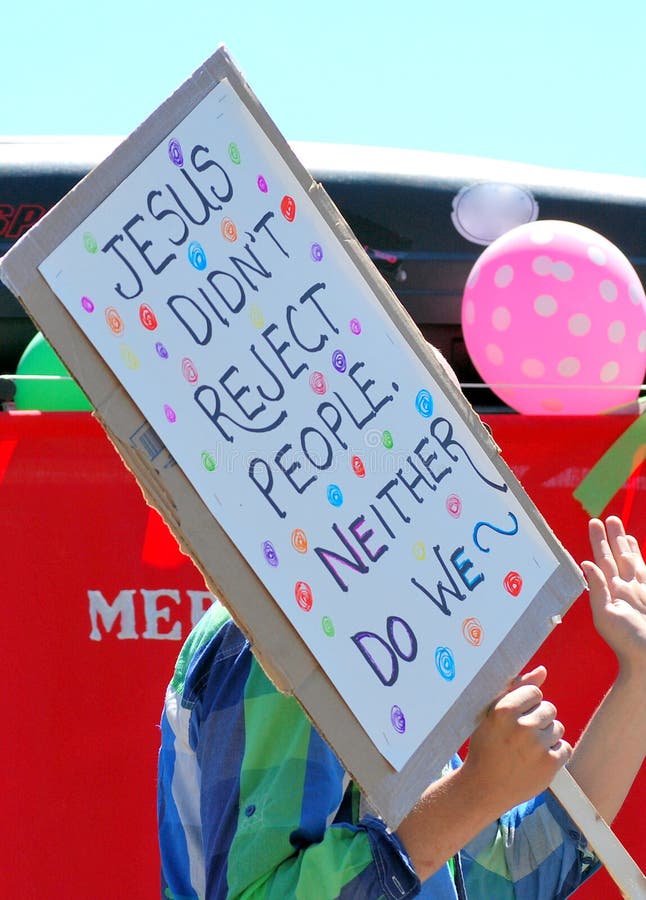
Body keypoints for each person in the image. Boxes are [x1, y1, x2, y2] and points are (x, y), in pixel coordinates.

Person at [157, 515, 646, 899]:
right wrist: (475, 791)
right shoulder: (281, 639)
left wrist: (639, 678)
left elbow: (513, 870)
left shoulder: (383, 620)